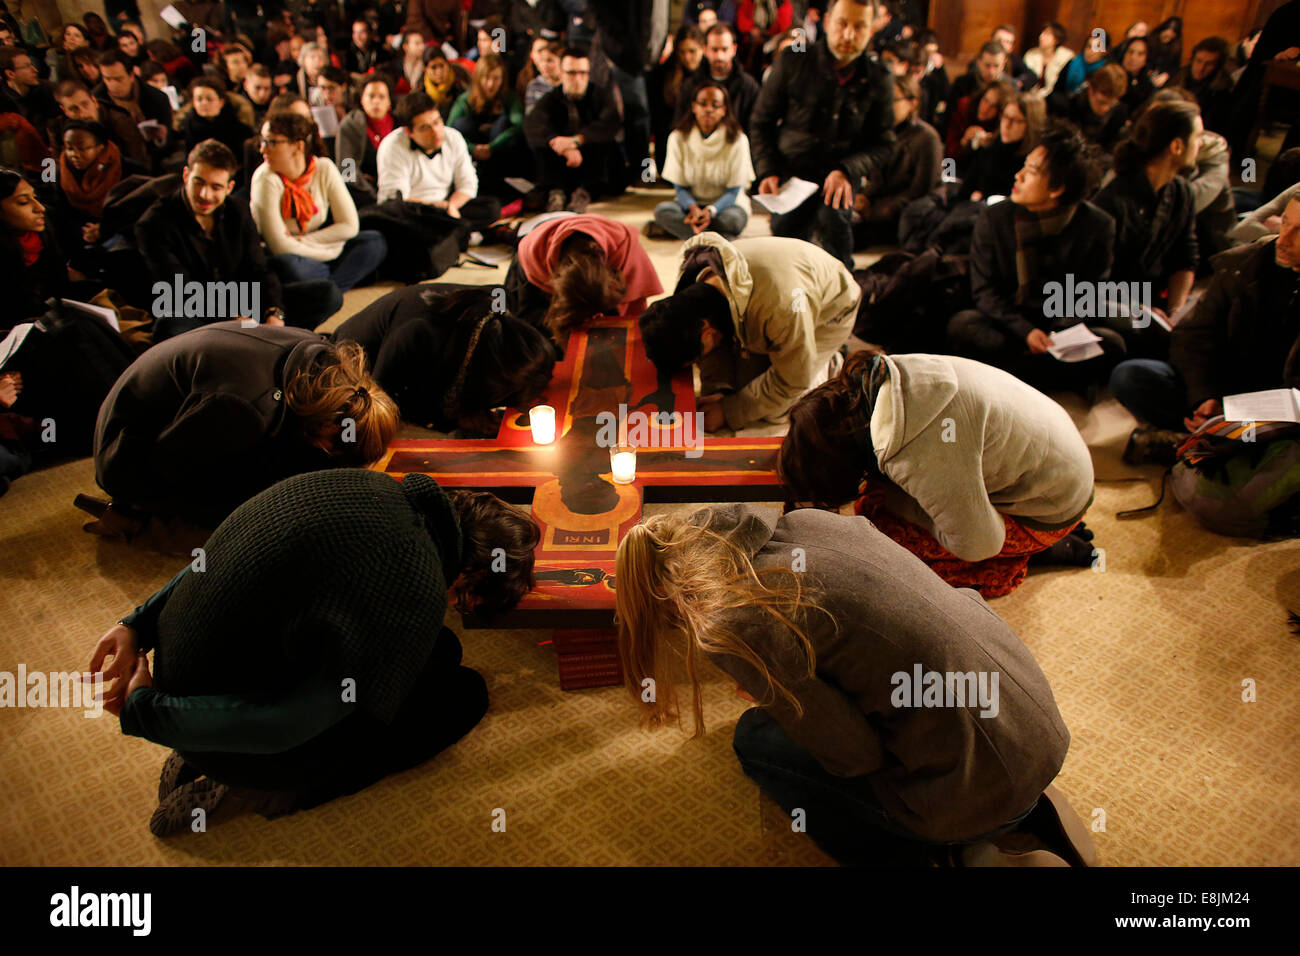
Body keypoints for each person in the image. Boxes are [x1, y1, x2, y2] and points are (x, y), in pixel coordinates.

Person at [614, 501, 1094, 866]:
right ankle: (1013, 805)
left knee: (755, 739)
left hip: (965, 787)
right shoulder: (812, 522)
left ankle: (936, 849)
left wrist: (779, 697)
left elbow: (853, 755)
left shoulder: (731, 622)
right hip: (1035, 719)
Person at [92, 468, 539, 835]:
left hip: (188, 664)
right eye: (462, 601)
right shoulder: (413, 590)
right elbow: (285, 725)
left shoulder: (363, 484)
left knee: (441, 649)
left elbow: (218, 555)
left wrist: (138, 621)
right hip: (231, 736)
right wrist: (146, 712)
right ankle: (249, 785)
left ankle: (200, 737)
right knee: (463, 695)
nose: (453, 605)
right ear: (469, 577)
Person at [780, 349, 1098, 595]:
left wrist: (894, 500)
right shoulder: (882, 376)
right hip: (1058, 462)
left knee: (883, 549)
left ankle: (1026, 554)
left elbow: (979, 545)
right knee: (880, 509)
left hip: (1050, 508)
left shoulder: (915, 450)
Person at [92, 322, 400, 534]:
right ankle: (135, 518)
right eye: (335, 451)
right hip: (126, 455)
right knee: (265, 512)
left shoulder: (318, 359)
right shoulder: (245, 410)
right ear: (331, 426)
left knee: (294, 475)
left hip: (178, 419)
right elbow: (166, 462)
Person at [1110, 195, 1300, 453]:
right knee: (1131, 376)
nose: (1284, 238)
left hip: (1280, 408)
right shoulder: (1249, 263)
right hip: (1226, 386)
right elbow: (1194, 334)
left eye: (1299, 232)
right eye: (1285, 223)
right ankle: (1210, 440)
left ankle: (1200, 445)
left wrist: (1245, 413)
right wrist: (1204, 396)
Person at [947, 123, 1118, 391]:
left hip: (1058, 329)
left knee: (1113, 342)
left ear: (1057, 188)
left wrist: (1057, 333)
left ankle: (1014, 377)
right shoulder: (995, 218)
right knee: (964, 325)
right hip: (1011, 325)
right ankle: (1037, 378)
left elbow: (1089, 294)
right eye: (1024, 166)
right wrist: (1026, 332)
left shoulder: (1097, 225)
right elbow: (985, 292)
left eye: (1031, 171)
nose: (1018, 176)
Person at [639, 232, 858, 432]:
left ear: (707, 333)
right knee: (739, 386)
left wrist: (729, 410)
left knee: (778, 411)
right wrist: (718, 392)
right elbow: (710, 343)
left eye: (695, 360)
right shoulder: (694, 291)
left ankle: (828, 366)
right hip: (781, 300)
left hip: (830, 312)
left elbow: (791, 381)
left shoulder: (779, 308)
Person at [749, 0, 894, 270]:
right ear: (827, 22)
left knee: (837, 264)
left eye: (859, 27)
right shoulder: (794, 61)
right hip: (790, 176)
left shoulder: (879, 77)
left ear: (871, 30)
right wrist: (767, 169)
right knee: (784, 263)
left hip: (838, 182)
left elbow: (884, 144)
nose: (849, 35)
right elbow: (761, 122)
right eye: (842, 24)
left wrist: (847, 169)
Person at [334, 283, 557, 433]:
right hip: (350, 368)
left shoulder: (498, 308)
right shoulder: (416, 336)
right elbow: (381, 408)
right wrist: (458, 417)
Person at [135, 139, 290, 339]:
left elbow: (258, 268)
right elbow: (179, 289)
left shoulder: (239, 211)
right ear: (185, 175)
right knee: (170, 327)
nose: (205, 195)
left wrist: (274, 312)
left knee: (325, 294)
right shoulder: (153, 223)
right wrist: (232, 318)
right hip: (194, 309)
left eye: (216, 187)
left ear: (229, 187)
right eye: (198, 182)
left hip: (242, 301)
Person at [251, 112, 389, 327]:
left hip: (311, 249)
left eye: (271, 142)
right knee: (289, 266)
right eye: (262, 141)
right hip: (289, 258)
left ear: (297, 146)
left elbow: (350, 226)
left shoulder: (323, 168)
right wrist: (330, 251)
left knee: (373, 241)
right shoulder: (265, 178)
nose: (262, 149)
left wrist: (306, 242)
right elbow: (279, 246)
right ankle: (329, 288)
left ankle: (327, 289)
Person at [1092, 100, 1201, 357]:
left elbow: (1186, 256)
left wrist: (1176, 310)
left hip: (1152, 303)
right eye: (1197, 137)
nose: (1201, 144)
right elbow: (1092, 284)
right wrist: (1142, 309)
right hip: (1107, 302)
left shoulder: (1182, 191)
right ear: (1176, 146)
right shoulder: (1112, 201)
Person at [506, 213, 662, 343]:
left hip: (584, 227)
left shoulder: (624, 247)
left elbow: (633, 312)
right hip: (540, 231)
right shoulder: (531, 256)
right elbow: (526, 317)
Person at [374, 89, 501, 233]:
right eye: (425, 128)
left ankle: (452, 229)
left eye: (437, 122)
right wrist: (439, 207)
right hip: (414, 209)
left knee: (491, 207)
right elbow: (397, 199)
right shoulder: (392, 146)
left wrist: (451, 206)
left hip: (447, 204)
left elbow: (468, 184)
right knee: (398, 222)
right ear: (409, 132)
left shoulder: (453, 137)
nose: (435, 131)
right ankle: (457, 230)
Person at [651, 80, 754, 241]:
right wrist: (693, 208)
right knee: (662, 211)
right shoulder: (678, 137)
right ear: (694, 107)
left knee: (731, 220)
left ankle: (692, 234)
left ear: (724, 110)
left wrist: (711, 211)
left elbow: (734, 191)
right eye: (703, 104)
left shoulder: (738, 140)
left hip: (725, 207)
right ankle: (721, 239)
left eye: (715, 105)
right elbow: (680, 187)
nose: (708, 110)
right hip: (691, 206)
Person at [522, 45, 619, 213]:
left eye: (583, 73)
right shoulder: (552, 98)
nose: (578, 79)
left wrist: (577, 140)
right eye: (572, 73)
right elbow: (533, 125)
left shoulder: (600, 95)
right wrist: (557, 144)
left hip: (590, 160)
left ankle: (584, 193)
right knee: (540, 143)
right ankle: (556, 193)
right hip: (561, 161)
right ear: (561, 73)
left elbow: (610, 124)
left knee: (603, 142)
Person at [852, 74, 941, 248]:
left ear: (912, 102)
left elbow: (920, 191)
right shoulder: (884, 131)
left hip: (903, 217)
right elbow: (877, 179)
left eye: (892, 100)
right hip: (876, 208)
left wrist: (873, 211)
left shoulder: (927, 138)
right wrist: (864, 198)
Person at [446, 52, 524, 201]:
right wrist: (473, 149)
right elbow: (448, 131)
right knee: (462, 123)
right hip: (472, 154)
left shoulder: (509, 98)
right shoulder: (465, 100)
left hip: (500, 154)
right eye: (486, 77)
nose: (490, 84)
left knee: (503, 124)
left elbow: (518, 125)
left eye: (496, 78)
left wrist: (492, 147)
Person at [679, 22, 760, 131]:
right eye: (714, 49)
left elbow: (756, 127)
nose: (719, 56)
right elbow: (681, 125)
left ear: (734, 49)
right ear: (705, 50)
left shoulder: (748, 87)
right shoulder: (691, 85)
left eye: (724, 49)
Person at [649, 24, 705, 176]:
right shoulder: (664, 75)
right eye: (682, 52)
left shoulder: (709, 74)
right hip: (672, 140)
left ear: (702, 48)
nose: (687, 57)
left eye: (692, 51)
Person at [336, 74, 393, 206]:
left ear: (389, 101)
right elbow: (347, 170)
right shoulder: (351, 125)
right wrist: (369, 191)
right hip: (363, 193)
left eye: (381, 97)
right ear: (362, 99)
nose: (376, 101)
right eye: (371, 96)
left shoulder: (399, 123)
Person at [1046, 62, 1128, 151]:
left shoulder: (1119, 112)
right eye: (1102, 103)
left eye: (1111, 103)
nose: (1106, 109)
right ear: (1091, 89)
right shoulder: (1067, 107)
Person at [179, 76, 255, 162]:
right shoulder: (187, 127)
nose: (204, 103)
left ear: (221, 102)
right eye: (199, 99)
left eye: (209, 99)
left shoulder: (238, 127)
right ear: (193, 103)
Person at [1172, 36, 1234, 135]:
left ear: (1218, 67)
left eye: (1209, 64)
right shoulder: (1179, 76)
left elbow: (1210, 126)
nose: (1201, 68)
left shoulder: (1221, 90)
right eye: (1198, 61)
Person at [0, 46, 59, 145]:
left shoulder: (48, 89)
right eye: (26, 66)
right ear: (10, 74)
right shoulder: (2, 100)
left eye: (31, 64)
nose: (35, 70)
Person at [1022, 21, 1072, 94]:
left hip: (1052, 97)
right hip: (1030, 95)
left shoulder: (1066, 57)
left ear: (1056, 40)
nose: (1041, 37)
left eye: (1047, 34)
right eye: (1042, 33)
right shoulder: (1031, 54)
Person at [1056, 28, 1108, 96]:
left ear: (1105, 52)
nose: (1091, 51)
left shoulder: (1104, 72)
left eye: (1097, 48)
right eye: (1089, 46)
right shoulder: (1074, 62)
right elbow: (1057, 88)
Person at [1113, 35, 1157, 114]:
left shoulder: (1148, 87)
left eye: (1140, 54)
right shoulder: (1112, 75)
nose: (1133, 57)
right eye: (1130, 51)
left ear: (1146, 59)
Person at [420, 48, 467, 117]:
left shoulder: (459, 81)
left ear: (447, 64)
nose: (439, 71)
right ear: (425, 69)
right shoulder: (421, 90)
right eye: (433, 67)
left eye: (441, 66)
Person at [522, 39, 562, 110]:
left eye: (549, 60)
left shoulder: (569, 85)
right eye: (541, 60)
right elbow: (530, 115)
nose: (544, 65)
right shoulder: (534, 85)